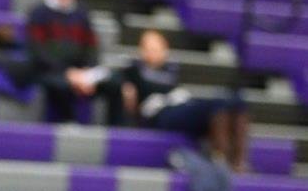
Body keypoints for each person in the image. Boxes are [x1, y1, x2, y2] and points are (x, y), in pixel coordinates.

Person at [106, 29, 250, 170]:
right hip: (160, 115)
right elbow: (112, 78)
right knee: (219, 103)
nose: (153, 53)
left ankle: (238, 162)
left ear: (165, 50)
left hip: (180, 107)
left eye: (156, 49)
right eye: (149, 48)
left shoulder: (170, 70)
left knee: (236, 101)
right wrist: (125, 87)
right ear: (142, 51)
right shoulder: (133, 69)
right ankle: (222, 160)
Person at [25, 0, 102, 123]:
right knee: (62, 84)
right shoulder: (38, 13)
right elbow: (38, 52)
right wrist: (68, 73)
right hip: (48, 71)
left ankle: (116, 130)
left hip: (80, 72)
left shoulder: (83, 13)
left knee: (114, 82)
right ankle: (69, 125)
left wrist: (86, 71)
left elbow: (92, 46)